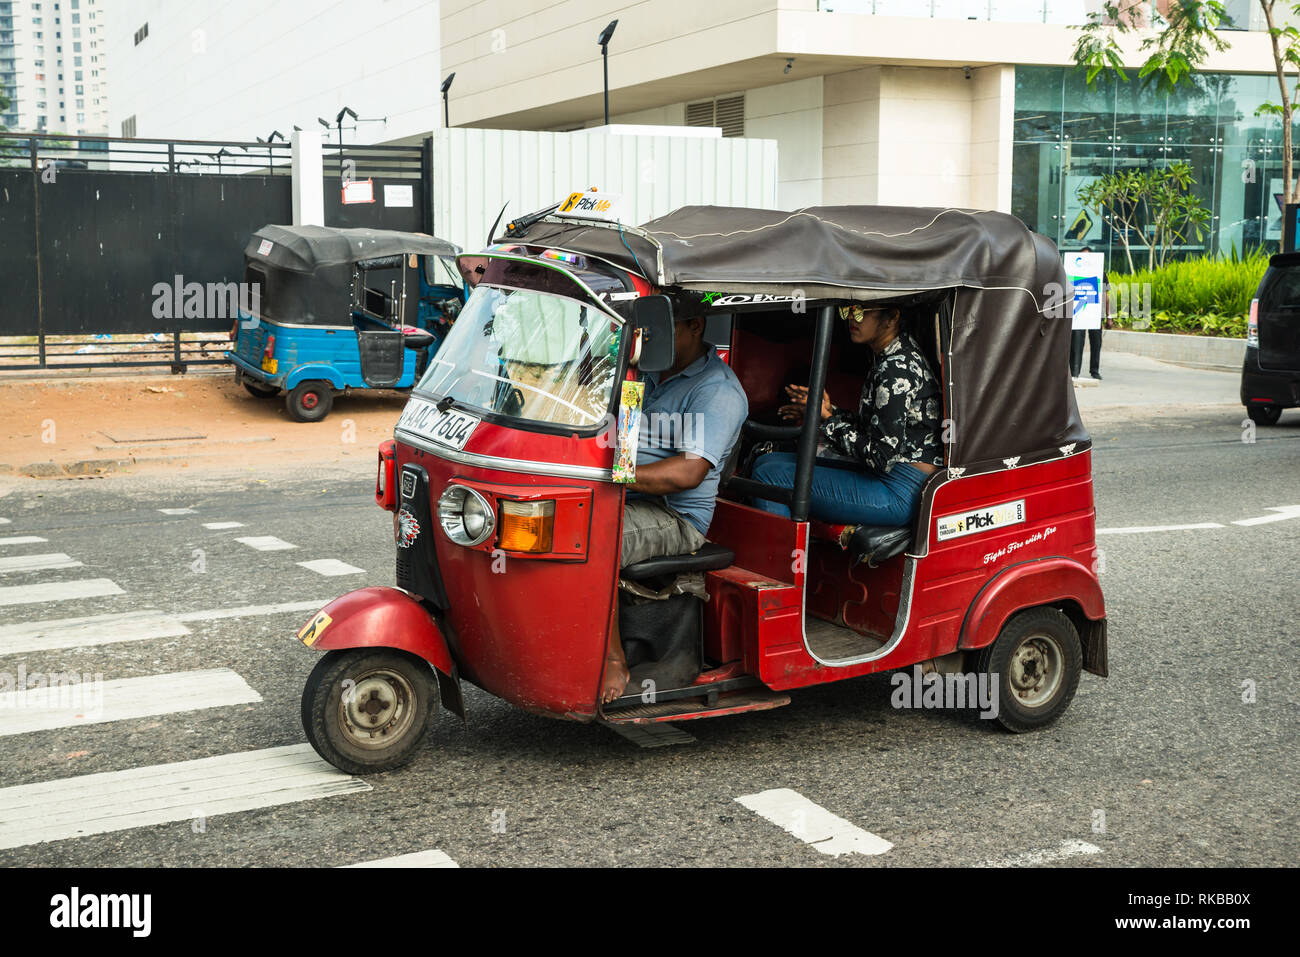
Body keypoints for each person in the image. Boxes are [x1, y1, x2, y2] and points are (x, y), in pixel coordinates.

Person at [602, 308, 748, 704]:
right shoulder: (645, 373)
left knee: (593, 537)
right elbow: (622, 435)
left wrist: (608, 476)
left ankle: (613, 659)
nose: (645, 338)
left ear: (694, 326)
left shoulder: (716, 389)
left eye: (655, 330)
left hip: (674, 515)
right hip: (622, 495)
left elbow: (688, 473)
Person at [751, 305, 943, 527]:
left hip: (898, 489)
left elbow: (880, 458)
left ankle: (780, 561)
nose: (852, 318)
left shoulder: (895, 369)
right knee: (766, 461)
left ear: (892, 317)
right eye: (847, 311)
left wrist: (827, 419)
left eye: (861, 311)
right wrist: (830, 411)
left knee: (769, 476)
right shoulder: (898, 354)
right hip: (894, 477)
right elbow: (876, 429)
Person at [1069, 246, 1104, 380]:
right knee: (1076, 342)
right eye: (1082, 256)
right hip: (1078, 313)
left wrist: (1109, 315)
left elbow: (1106, 293)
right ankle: (1074, 371)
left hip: (1095, 313)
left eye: (1087, 256)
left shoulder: (1099, 271)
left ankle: (1094, 370)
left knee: (1096, 342)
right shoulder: (1072, 271)